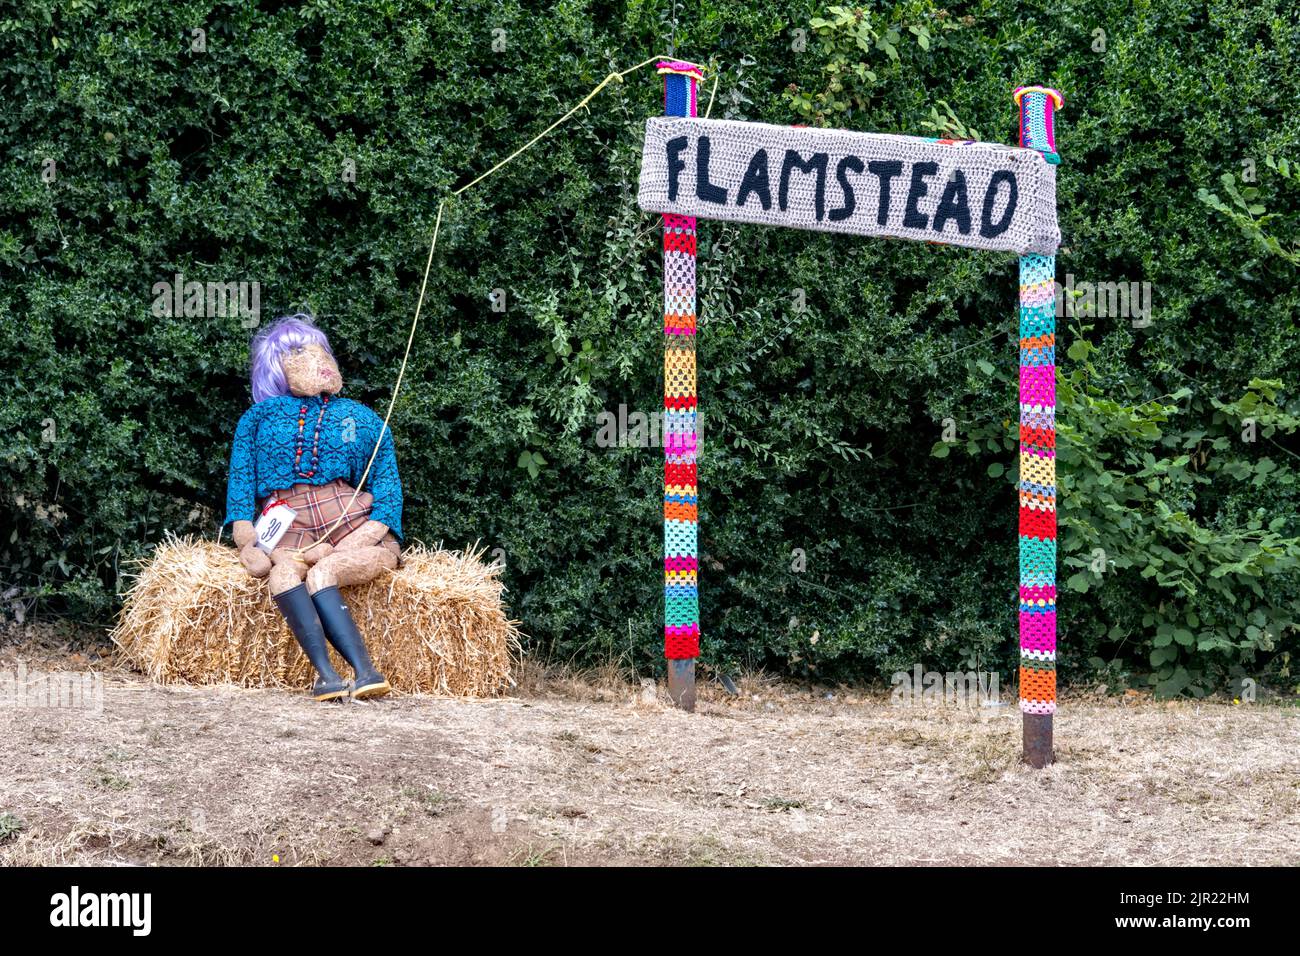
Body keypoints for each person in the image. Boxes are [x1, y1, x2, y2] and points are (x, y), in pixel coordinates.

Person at [224, 313, 403, 701]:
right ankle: (326, 675)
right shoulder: (257, 420)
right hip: (292, 533)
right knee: (284, 575)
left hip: (349, 524)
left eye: (319, 350)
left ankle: (366, 670)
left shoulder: (359, 418)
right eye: (298, 352)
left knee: (326, 571)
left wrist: (373, 530)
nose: (317, 359)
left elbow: (387, 485)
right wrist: (244, 531)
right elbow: (241, 480)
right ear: (276, 365)